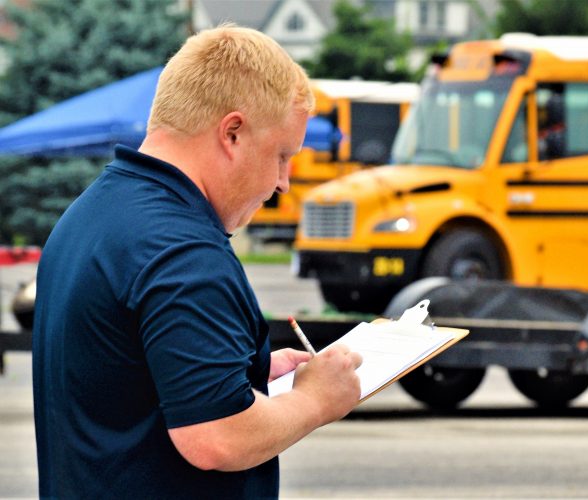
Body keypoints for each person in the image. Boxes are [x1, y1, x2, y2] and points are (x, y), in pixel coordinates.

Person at [32, 25, 362, 499]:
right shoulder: (185, 251)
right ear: (233, 132)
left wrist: (240, 368)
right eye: (281, 155)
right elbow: (217, 437)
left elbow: (118, 374)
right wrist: (316, 400)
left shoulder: (91, 214)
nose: (284, 182)